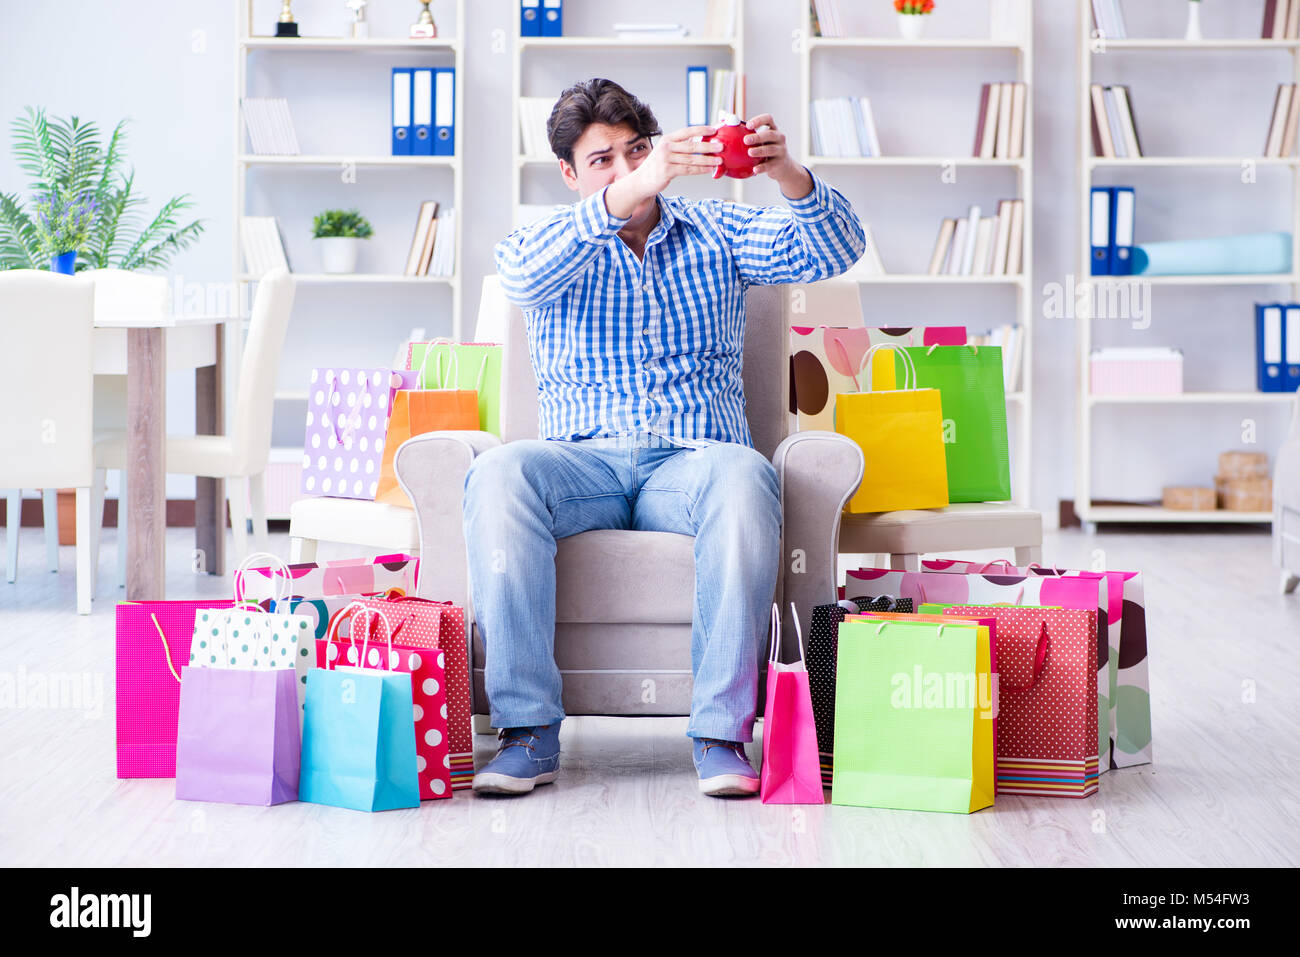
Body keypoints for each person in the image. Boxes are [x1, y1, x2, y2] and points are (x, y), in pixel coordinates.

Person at [466, 77, 865, 797]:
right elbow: (519, 279)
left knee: (746, 474)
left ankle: (720, 734)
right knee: (499, 471)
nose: (627, 171)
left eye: (638, 152)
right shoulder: (547, 243)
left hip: (692, 463)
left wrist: (786, 171)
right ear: (568, 174)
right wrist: (633, 186)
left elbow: (837, 248)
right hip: (578, 465)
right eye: (602, 160)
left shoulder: (716, 231)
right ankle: (526, 733)